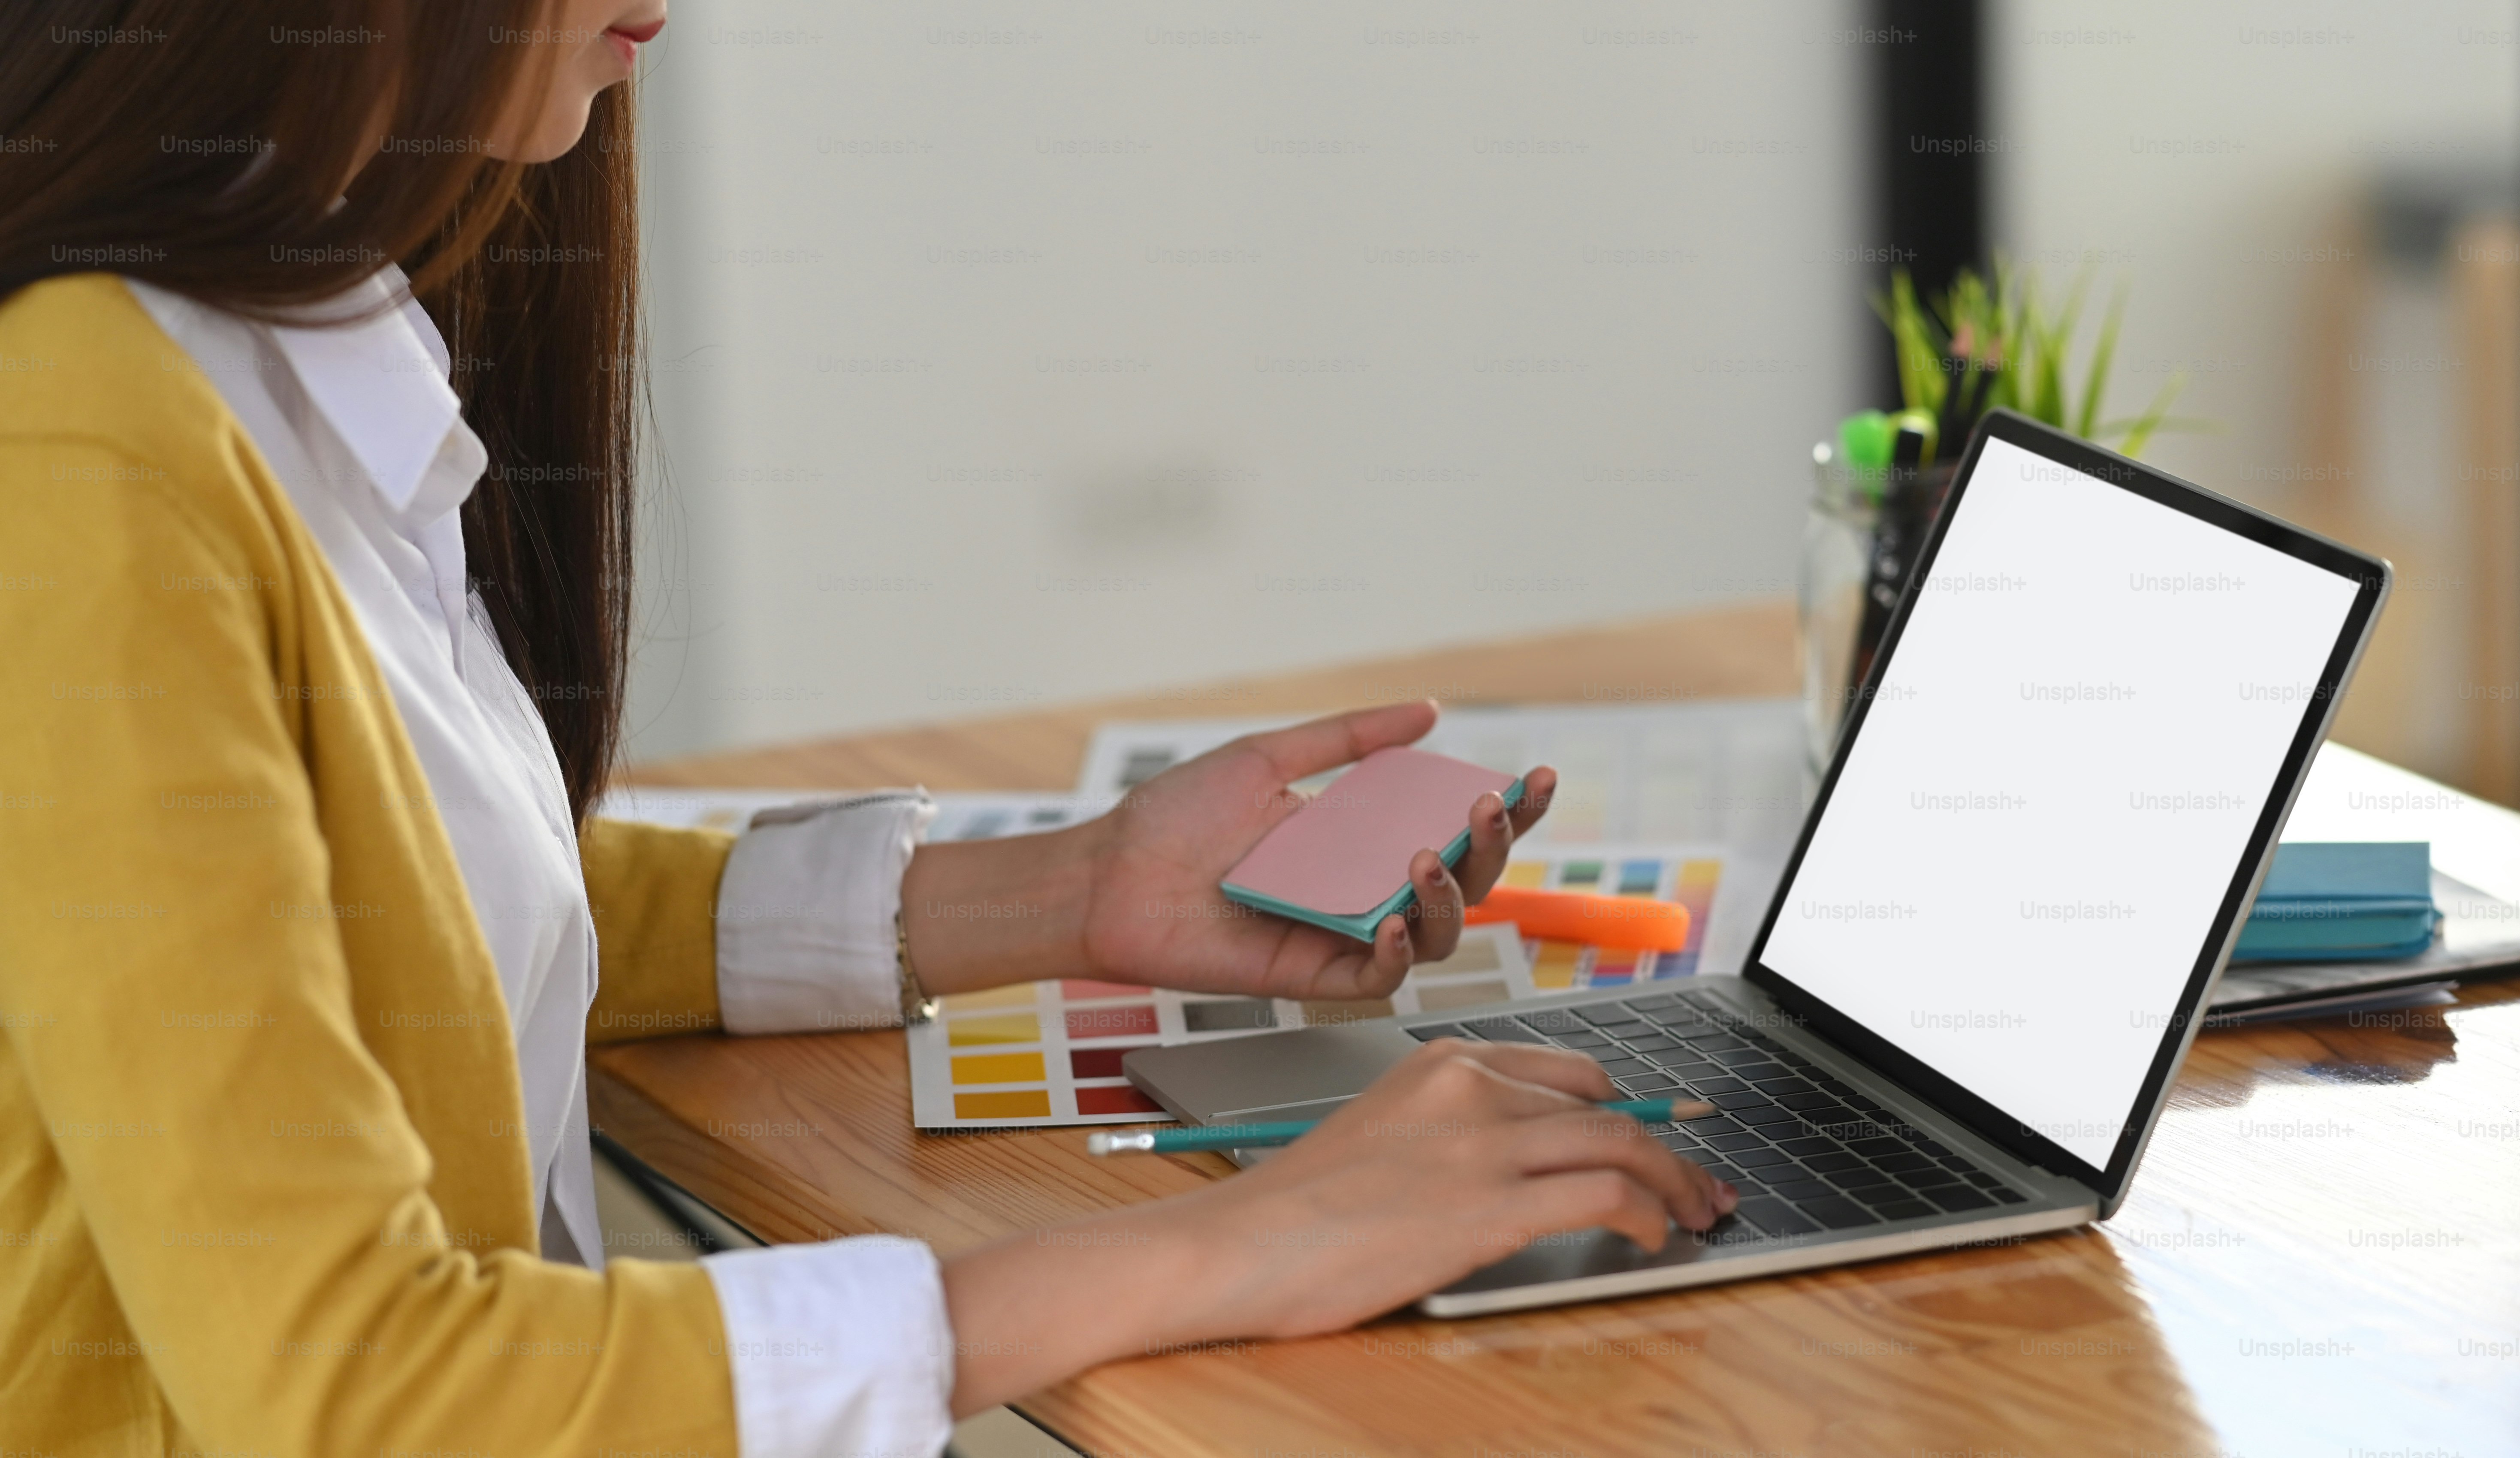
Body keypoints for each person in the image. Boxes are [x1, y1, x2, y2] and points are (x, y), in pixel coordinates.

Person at [0, 5, 1734, 1455]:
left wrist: (1059, 896)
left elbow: (380, 895)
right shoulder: (84, 441)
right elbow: (358, 1393)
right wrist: (1252, 1239)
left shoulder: (270, 345)